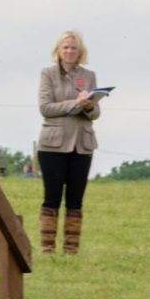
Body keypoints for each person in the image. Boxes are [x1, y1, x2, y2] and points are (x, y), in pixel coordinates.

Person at [36, 30, 101, 255]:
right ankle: (47, 248)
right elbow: (45, 108)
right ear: (58, 50)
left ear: (80, 51)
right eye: (66, 47)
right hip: (53, 145)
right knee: (52, 197)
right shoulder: (48, 74)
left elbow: (95, 113)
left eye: (74, 47)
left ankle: (71, 250)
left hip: (81, 145)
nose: (70, 51)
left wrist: (89, 106)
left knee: (76, 199)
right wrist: (73, 104)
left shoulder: (89, 75)